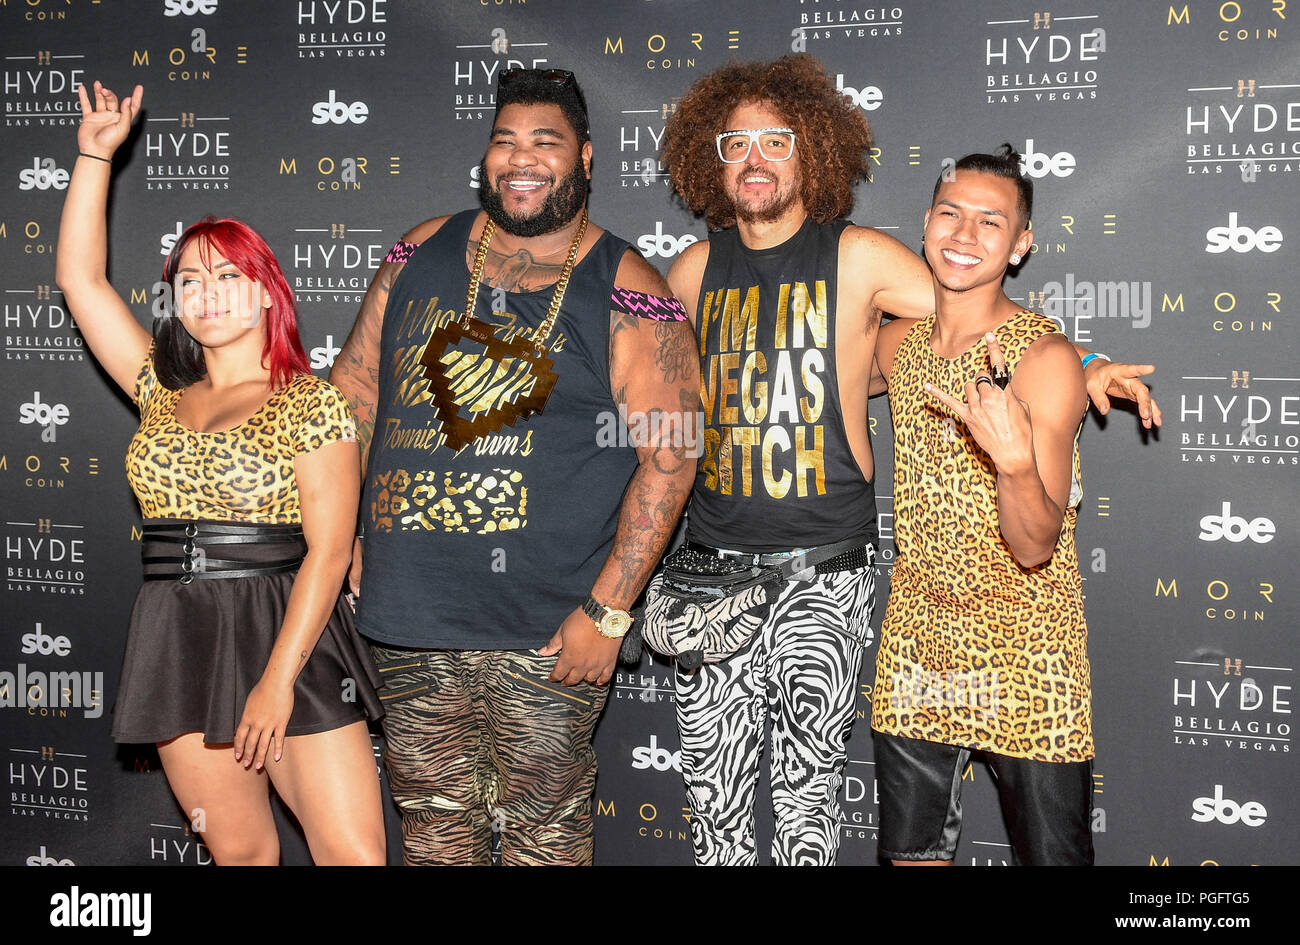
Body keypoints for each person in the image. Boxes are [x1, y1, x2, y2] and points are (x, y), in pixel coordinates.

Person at [660, 54, 1159, 866]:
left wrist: (1079, 365)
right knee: (721, 822)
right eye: (736, 141)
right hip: (783, 597)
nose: (754, 157)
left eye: (776, 140)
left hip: (891, 599)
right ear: (710, 159)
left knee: (808, 813)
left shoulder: (858, 259)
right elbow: (635, 372)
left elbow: (983, 314)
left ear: (811, 149)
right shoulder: (691, 274)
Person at [329, 68, 698, 865]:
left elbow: (671, 457)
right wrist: (338, 538)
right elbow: (351, 399)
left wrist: (608, 611)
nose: (520, 159)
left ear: (587, 159)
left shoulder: (630, 286)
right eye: (505, 140)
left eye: (545, 142)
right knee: (435, 832)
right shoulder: (418, 250)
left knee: (545, 839)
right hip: (410, 615)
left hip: (547, 630)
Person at [57, 81, 385, 866]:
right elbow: (80, 282)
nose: (208, 294)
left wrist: (275, 684)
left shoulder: (310, 402)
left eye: (230, 276)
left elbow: (330, 552)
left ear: (270, 292)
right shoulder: (157, 388)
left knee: (353, 856)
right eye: (192, 280)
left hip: (289, 633)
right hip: (180, 630)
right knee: (240, 854)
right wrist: (94, 156)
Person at [871, 146, 1097, 866]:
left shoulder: (1043, 360)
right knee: (913, 856)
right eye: (950, 215)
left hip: (1029, 643)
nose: (965, 237)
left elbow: (1035, 547)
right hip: (919, 632)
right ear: (926, 223)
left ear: (1021, 244)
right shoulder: (897, 344)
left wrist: (1016, 462)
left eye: (990, 223)